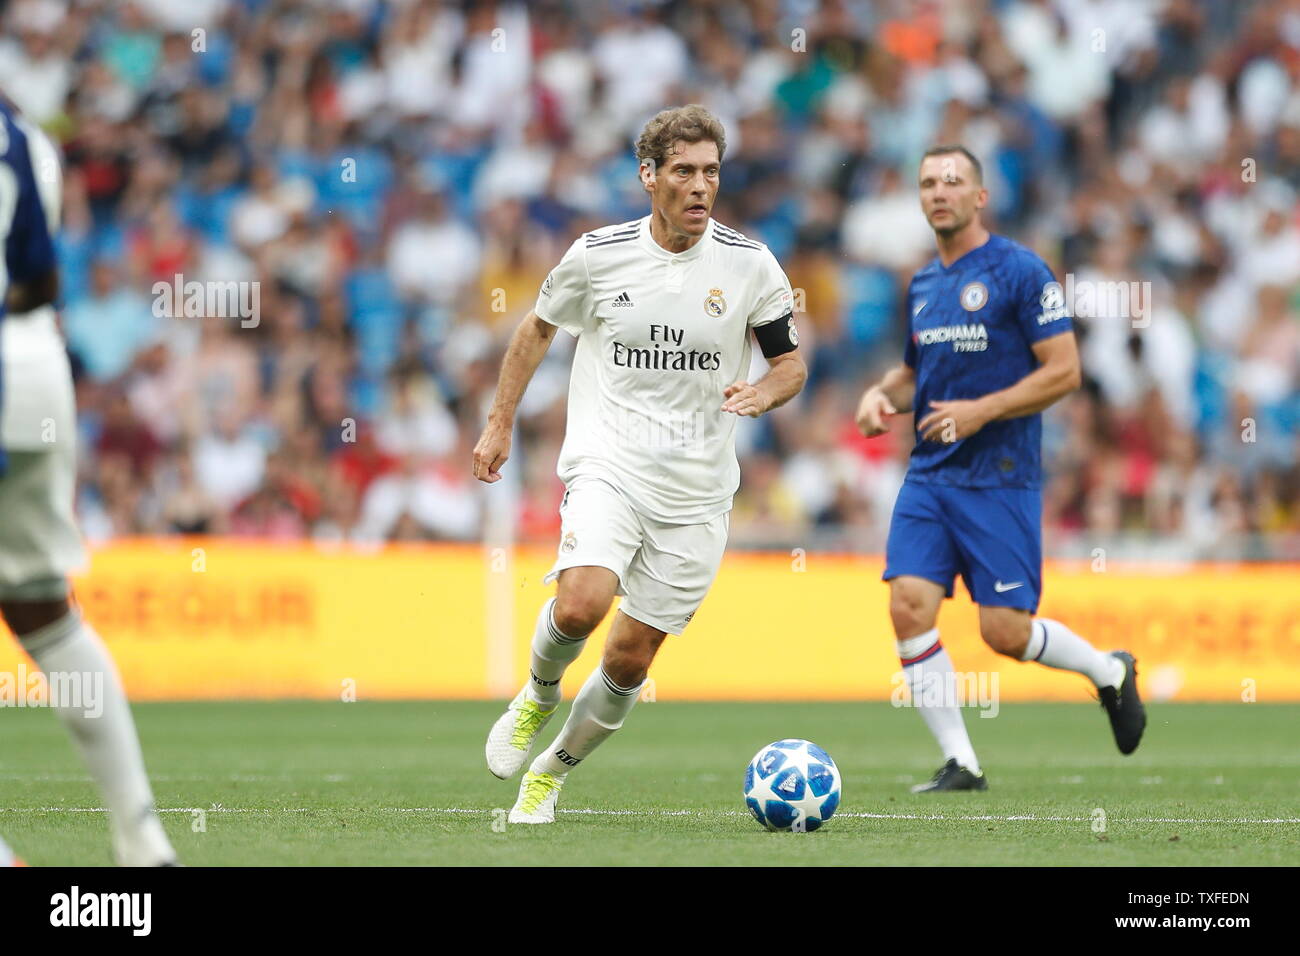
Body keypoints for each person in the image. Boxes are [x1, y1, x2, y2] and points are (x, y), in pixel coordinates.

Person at [473, 104, 806, 823]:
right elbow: (535, 329)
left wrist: (764, 392)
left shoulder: (749, 265)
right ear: (648, 176)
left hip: (697, 493)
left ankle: (551, 774)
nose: (699, 187)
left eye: (711, 173)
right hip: (609, 464)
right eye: (683, 172)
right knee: (580, 603)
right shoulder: (599, 255)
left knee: (628, 661)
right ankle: (535, 694)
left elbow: (789, 364)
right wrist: (499, 422)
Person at [854, 145, 1146, 792]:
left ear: (980, 196)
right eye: (928, 182)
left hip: (1001, 476)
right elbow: (912, 375)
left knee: (1004, 633)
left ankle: (1108, 670)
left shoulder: (1020, 271)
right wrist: (879, 395)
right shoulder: (924, 284)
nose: (939, 192)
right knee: (908, 606)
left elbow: (1064, 371)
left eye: (953, 181)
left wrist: (983, 411)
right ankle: (963, 763)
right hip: (930, 475)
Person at [0, 97, 177, 864]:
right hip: (34, 368)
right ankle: (142, 838)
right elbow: (38, 279)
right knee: (43, 611)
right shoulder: (25, 137)